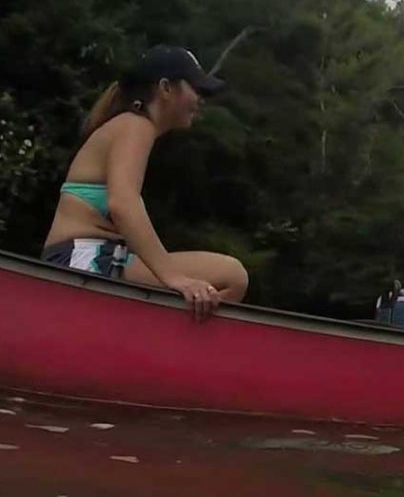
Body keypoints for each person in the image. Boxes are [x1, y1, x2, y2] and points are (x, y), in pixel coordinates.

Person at [40, 45, 248, 319]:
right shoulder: (135, 125)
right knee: (231, 277)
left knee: (232, 275)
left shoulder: (134, 127)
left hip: (109, 258)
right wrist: (175, 279)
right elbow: (123, 204)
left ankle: (156, 347)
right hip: (80, 262)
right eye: (195, 89)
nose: (200, 99)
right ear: (165, 88)